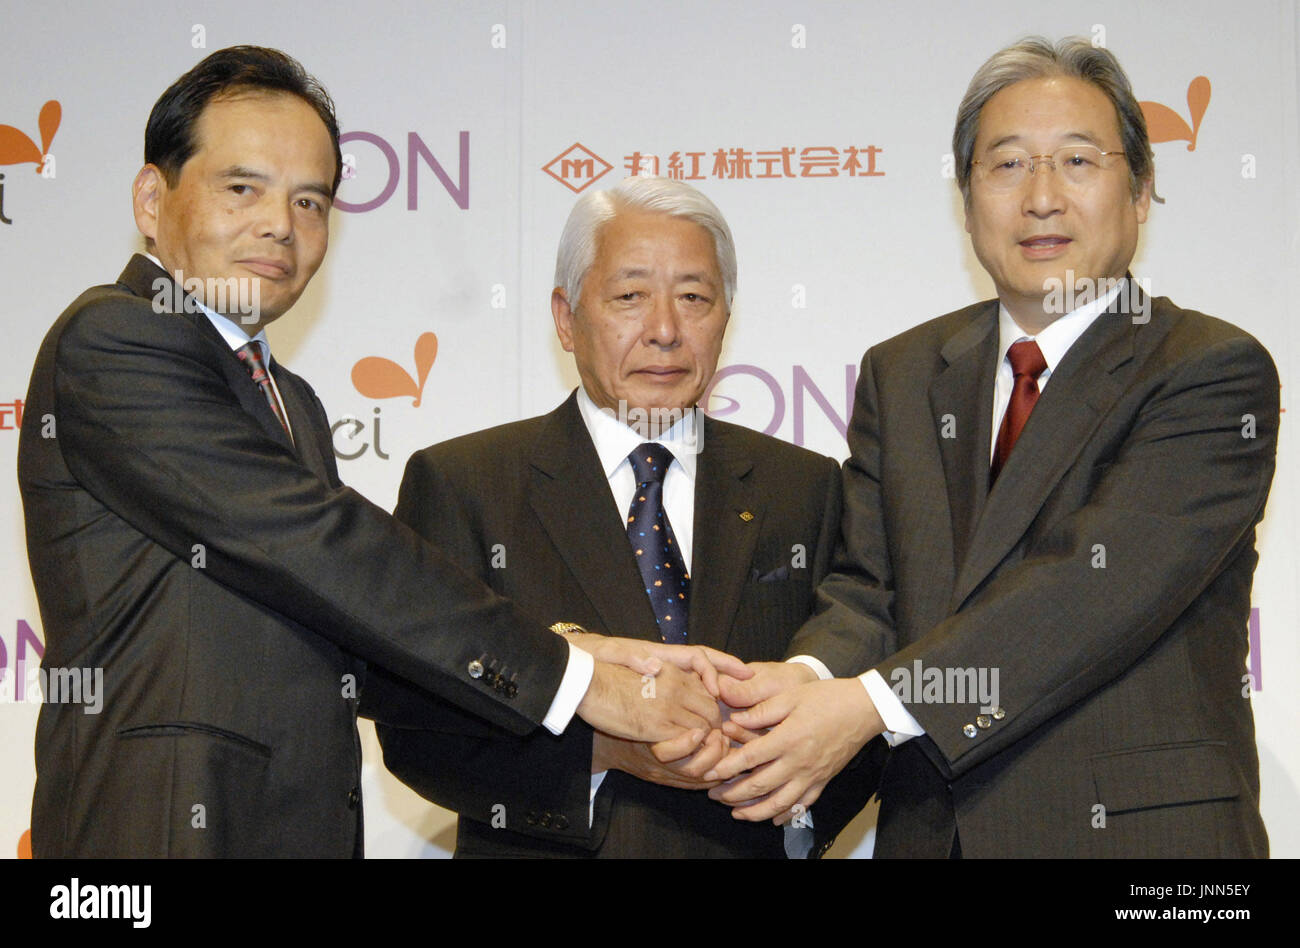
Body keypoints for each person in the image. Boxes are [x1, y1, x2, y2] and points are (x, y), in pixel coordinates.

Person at [18, 46, 736, 858]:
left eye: (310, 201)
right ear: (154, 198)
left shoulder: (292, 401)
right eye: (242, 188)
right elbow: (322, 550)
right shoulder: (116, 338)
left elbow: (357, 639)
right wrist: (582, 680)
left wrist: (580, 683)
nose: (279, 226)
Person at [709, 36, 1278, 858]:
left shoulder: (1207, 370)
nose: (1041, 198)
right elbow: (870, 591)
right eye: (1006, 165)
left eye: (1078, 161)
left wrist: (868, 705)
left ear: (1144, 188)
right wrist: (800, 687)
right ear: (967, 194)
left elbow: (1087, 591)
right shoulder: (904, 374)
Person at [368, 176, 874, 857]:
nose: (664, 331)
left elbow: (854, 689)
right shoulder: (465, 484)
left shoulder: (806, 487)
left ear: (726, 316)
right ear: (566, 317)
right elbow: (421, 723)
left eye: (694, 297)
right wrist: (602, 752)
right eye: (630, 297)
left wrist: (782, 798)